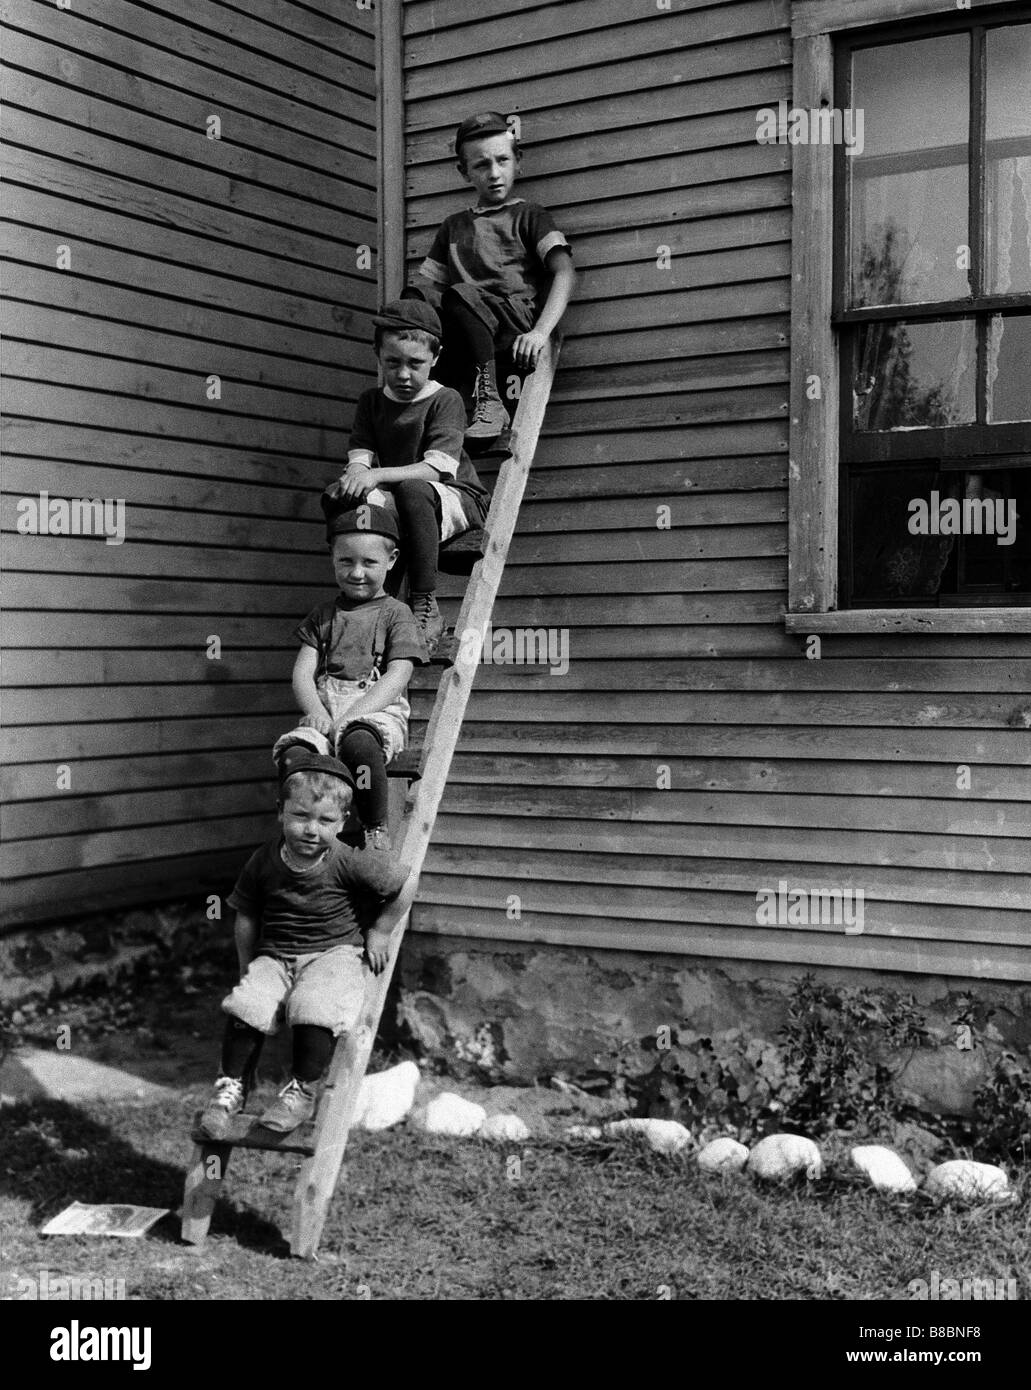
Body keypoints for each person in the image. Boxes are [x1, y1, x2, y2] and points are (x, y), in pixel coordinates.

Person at [198, 751, 409, 1138]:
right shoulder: (264, 860)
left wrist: (380, 930)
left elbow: (404, 883)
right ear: (281, 811)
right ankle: (228, 1090)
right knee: (247, 1004)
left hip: (333, 953)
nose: (312, 829)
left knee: (313, 1007)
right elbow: (245, 914)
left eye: (326, 821)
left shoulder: (348, 860)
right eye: (301, 816)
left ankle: (300, 1091)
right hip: (277, 954)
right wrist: (248, 965)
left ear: (343, 821)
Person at [325, 300, 490, 653]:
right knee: (339, 496)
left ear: (435, 357)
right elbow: (359, 459)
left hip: (455, 495)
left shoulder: (445, 399)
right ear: (378, 356)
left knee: (413, 490)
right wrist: (356, 478)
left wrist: (375, 476)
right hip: (403, 496)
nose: (403, 374)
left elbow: (438, 467)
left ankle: (424, 605)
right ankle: (366, 599)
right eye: (392, 363)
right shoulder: (371, 401)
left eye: (415, 364)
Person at [272, 505, 426, 850]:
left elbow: (399, 673)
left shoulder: (396, 614)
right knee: (295, 755)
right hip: (326, 712)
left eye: (369, 563)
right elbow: (302, 673)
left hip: (375, 711)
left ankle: (374, 827)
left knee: (359, 745)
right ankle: (302, 826)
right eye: (346, 561)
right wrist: (319, 714)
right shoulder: (323, 615)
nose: (357, 572)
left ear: (391, 559)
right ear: (333, 557)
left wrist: (353, 716)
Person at [416, 110, 575, 443]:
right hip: (466, 320)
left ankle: (490, 402)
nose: (494, 173)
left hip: (511, 320)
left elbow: (564, 272)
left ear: (518, 161)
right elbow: (427, 288)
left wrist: (539, 333)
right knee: (412, 302)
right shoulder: (454, 225)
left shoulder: (529, 215)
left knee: (459, 295)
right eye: (481, 165)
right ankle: (416, 405)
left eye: (502, 160)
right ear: (464, 172)